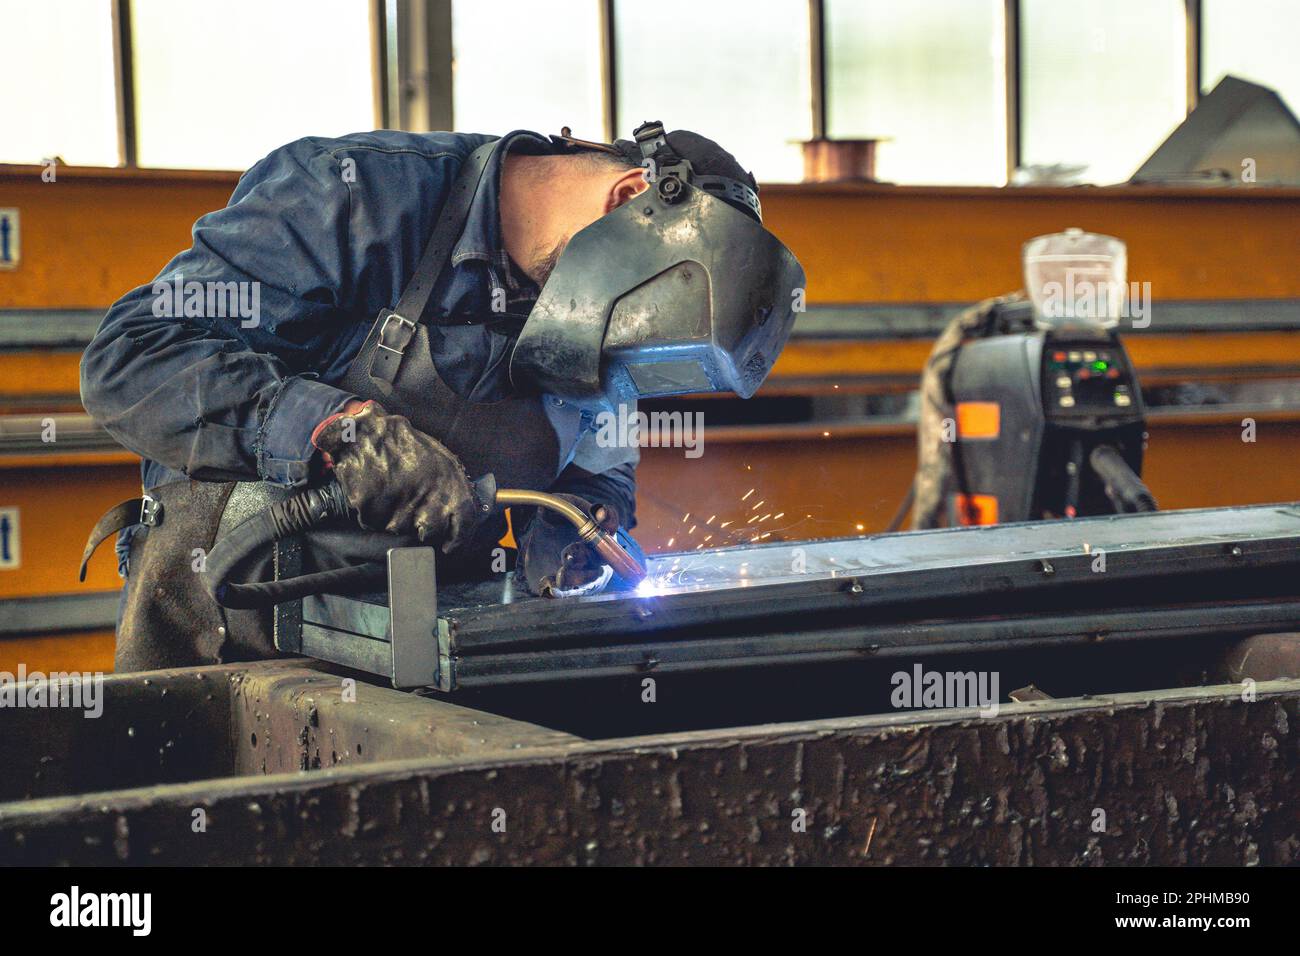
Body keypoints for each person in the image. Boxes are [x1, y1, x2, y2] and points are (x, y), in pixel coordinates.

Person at [79, 121, 804, 671]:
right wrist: (335, 431)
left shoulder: (600, 304)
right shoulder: (358, 197)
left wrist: (584, 517)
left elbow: (600, 450)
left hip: (427, 653)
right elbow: (129, 358)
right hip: (226, 630)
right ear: (629, 197)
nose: (609, 370)